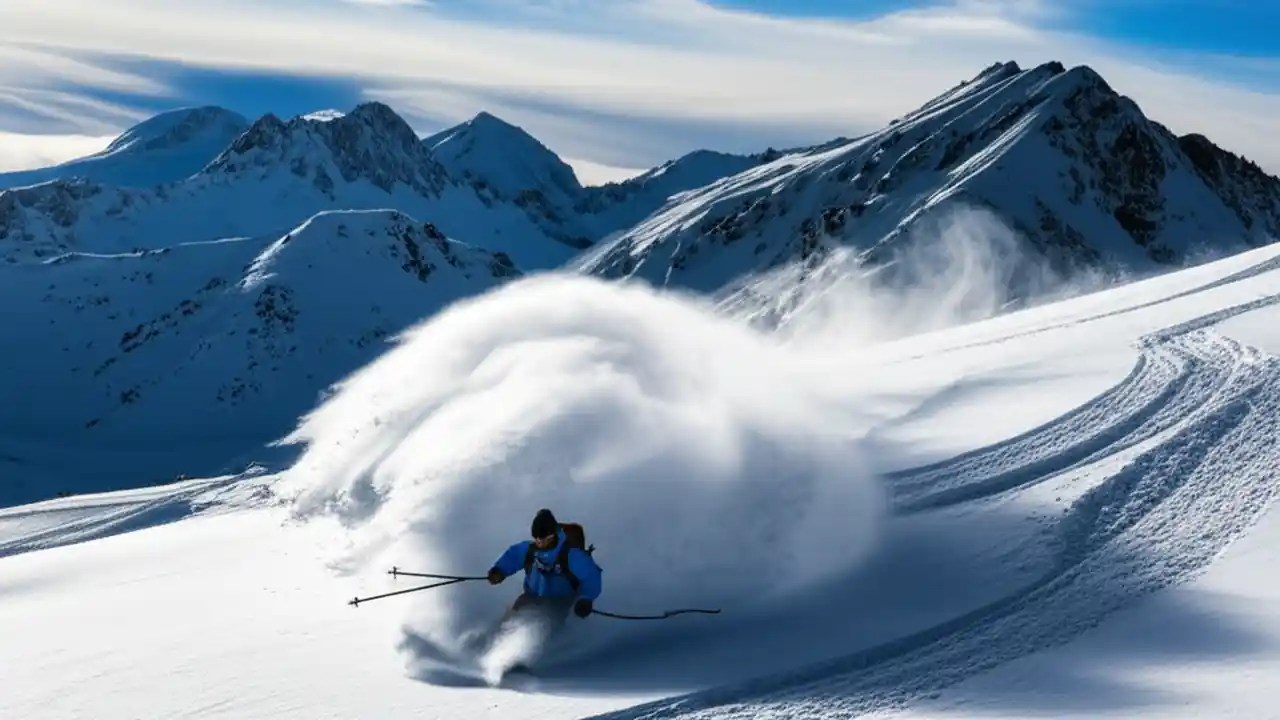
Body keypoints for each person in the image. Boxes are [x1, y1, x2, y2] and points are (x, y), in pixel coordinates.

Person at [488, 508, 602, 626]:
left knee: (548, 626)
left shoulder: (571, 556)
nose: (539, 543)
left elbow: (591, 577)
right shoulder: (529, 550)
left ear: (552, 536)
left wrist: (585, 600)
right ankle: (495, 633)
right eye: (536, 539)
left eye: (543, 540)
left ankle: (555, 641)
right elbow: (514, 556)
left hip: (561, 601)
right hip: (533, 595)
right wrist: (499, 571)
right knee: (512, 615)